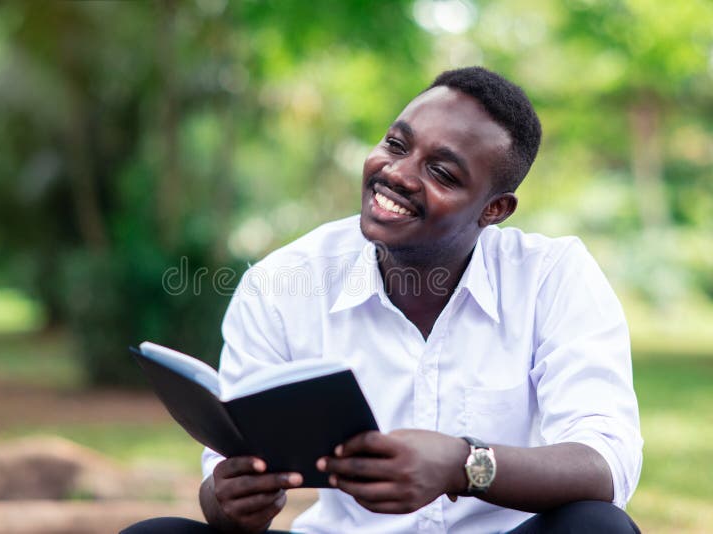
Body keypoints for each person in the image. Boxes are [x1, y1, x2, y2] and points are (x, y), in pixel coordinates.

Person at [123, 67, 642, 533]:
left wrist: (462, 465)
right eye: (396, 145)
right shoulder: (282, 281)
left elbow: (605, 463)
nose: (397, 174)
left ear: (495, 209)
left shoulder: (551, 276)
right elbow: (220, 482)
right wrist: (231, 499)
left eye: (442, 172)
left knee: (597, 526)